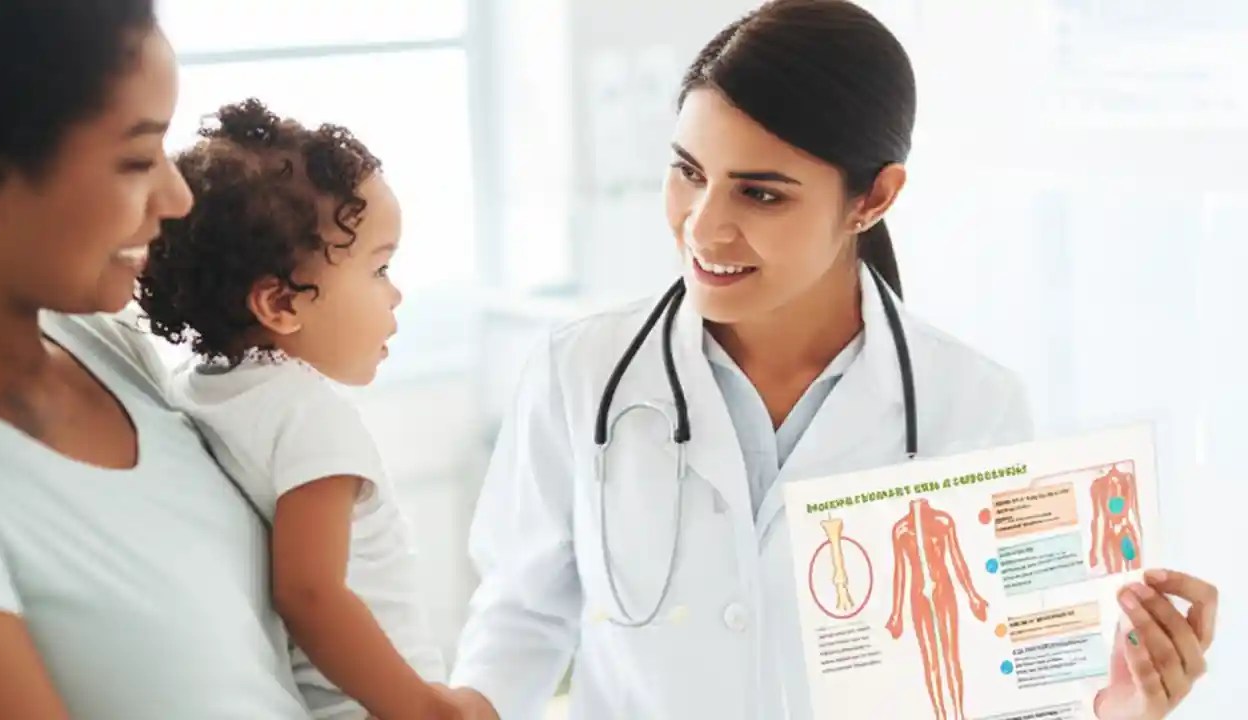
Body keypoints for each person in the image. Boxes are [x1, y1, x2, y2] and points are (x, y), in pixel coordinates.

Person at [442, 2, 1219, 719]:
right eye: (689, 172)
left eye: (761, 194)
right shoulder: (581, 373)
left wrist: (1114, 709)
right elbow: (522, 616)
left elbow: (1003, 694)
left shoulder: (974, 406)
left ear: (873, 199)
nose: (703, 228)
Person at [137, 98, 457, 720]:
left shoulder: (193, 392)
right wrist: (426, 708)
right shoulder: (308, 416)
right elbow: (310, 594)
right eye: (380, 268)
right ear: (281, 305)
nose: (395, 293)